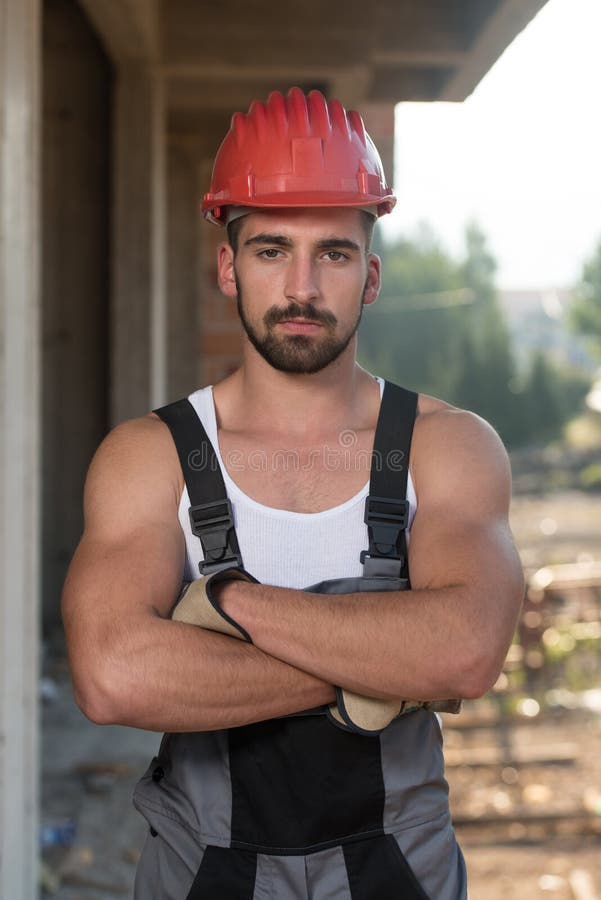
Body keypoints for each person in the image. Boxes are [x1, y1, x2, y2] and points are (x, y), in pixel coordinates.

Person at [62, 87, 524, 899]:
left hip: (397, 871)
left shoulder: (445, 447)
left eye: (334, 254)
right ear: (227, 266)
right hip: (202, 871)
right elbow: (113, 677)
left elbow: (463, 652)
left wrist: (230, 605)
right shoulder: (150, 457)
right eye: (272, 250)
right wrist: (384, 669)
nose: (301, 286)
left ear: (370, 275)